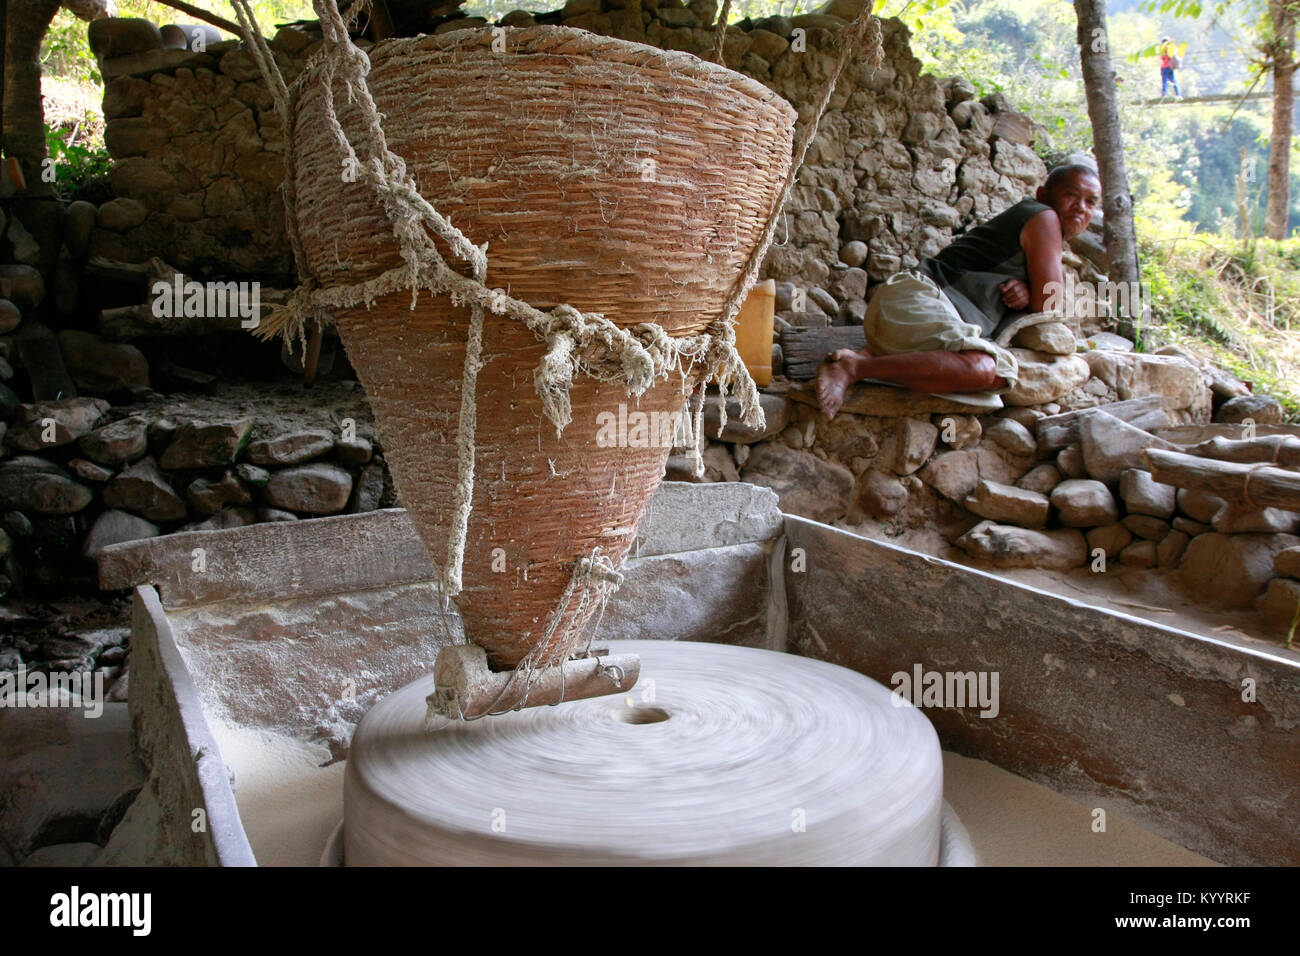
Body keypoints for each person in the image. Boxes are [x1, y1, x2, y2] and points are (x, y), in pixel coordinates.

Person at [816, 164, 1103, 420]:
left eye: (1091, 202)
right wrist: (1033, 294)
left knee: (1000, 377)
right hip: (916, 298)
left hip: (905, 316)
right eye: (1071, 195)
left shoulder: (1041, 224)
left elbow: (1041, 302)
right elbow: (1050, 303)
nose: (1081, 207)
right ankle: (854, 368)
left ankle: (869, 359)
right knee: (981, 369)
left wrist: (1029, 290)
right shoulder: (1043, 216)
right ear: (1043, 194)